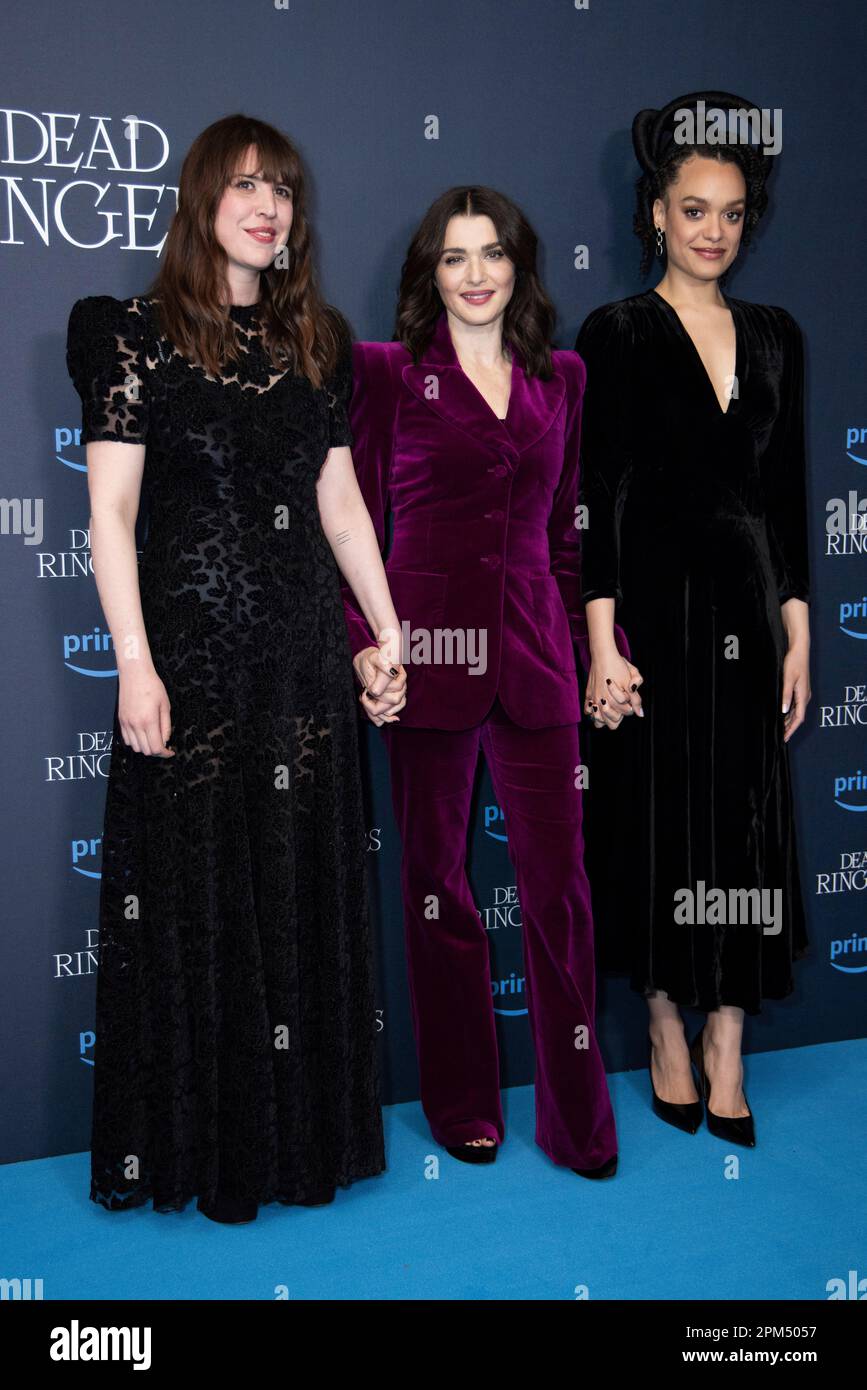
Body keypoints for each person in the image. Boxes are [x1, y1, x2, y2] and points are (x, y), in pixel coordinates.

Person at [65, 114, 406, 1223]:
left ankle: (299, 1140)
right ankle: (207, 1153)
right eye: (247, 185)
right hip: (195, 668)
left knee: (294, 890)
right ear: (202, 197)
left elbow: (342, 506)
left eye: (286, 191)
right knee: (200, 904)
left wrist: (385, 631)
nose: (269, 207)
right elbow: (111, 515)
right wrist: (133, 661)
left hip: (305, 662)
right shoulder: (129, 334)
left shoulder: (318, 344)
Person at [342, 186, 633, 1178]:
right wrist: (365, 643)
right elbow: (356, 530)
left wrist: (603, 647)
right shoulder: (387, 376)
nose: (474, 274)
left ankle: (578, 1117)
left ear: (519, 266)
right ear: (431, 272)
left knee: (560, 892)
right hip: (427, 656)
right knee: (439, 888)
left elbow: (565, 536)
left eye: (492, 252)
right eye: (454, 256)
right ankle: (464, 1102)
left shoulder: (565, 379)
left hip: (539, 651)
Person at [576, 90, 811, 1147]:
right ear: (656, 215)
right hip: (656, 626)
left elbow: (789, 491)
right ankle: (667, 1027)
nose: (713, 230)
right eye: (693, 208)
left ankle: (728, 1044)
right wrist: (600, 642)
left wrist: (801, 624)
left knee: (744, 834)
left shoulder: (776, 337)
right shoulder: (616, 333)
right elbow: (595, 499)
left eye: (730, 212)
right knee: (658, 827)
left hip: (751, 620)